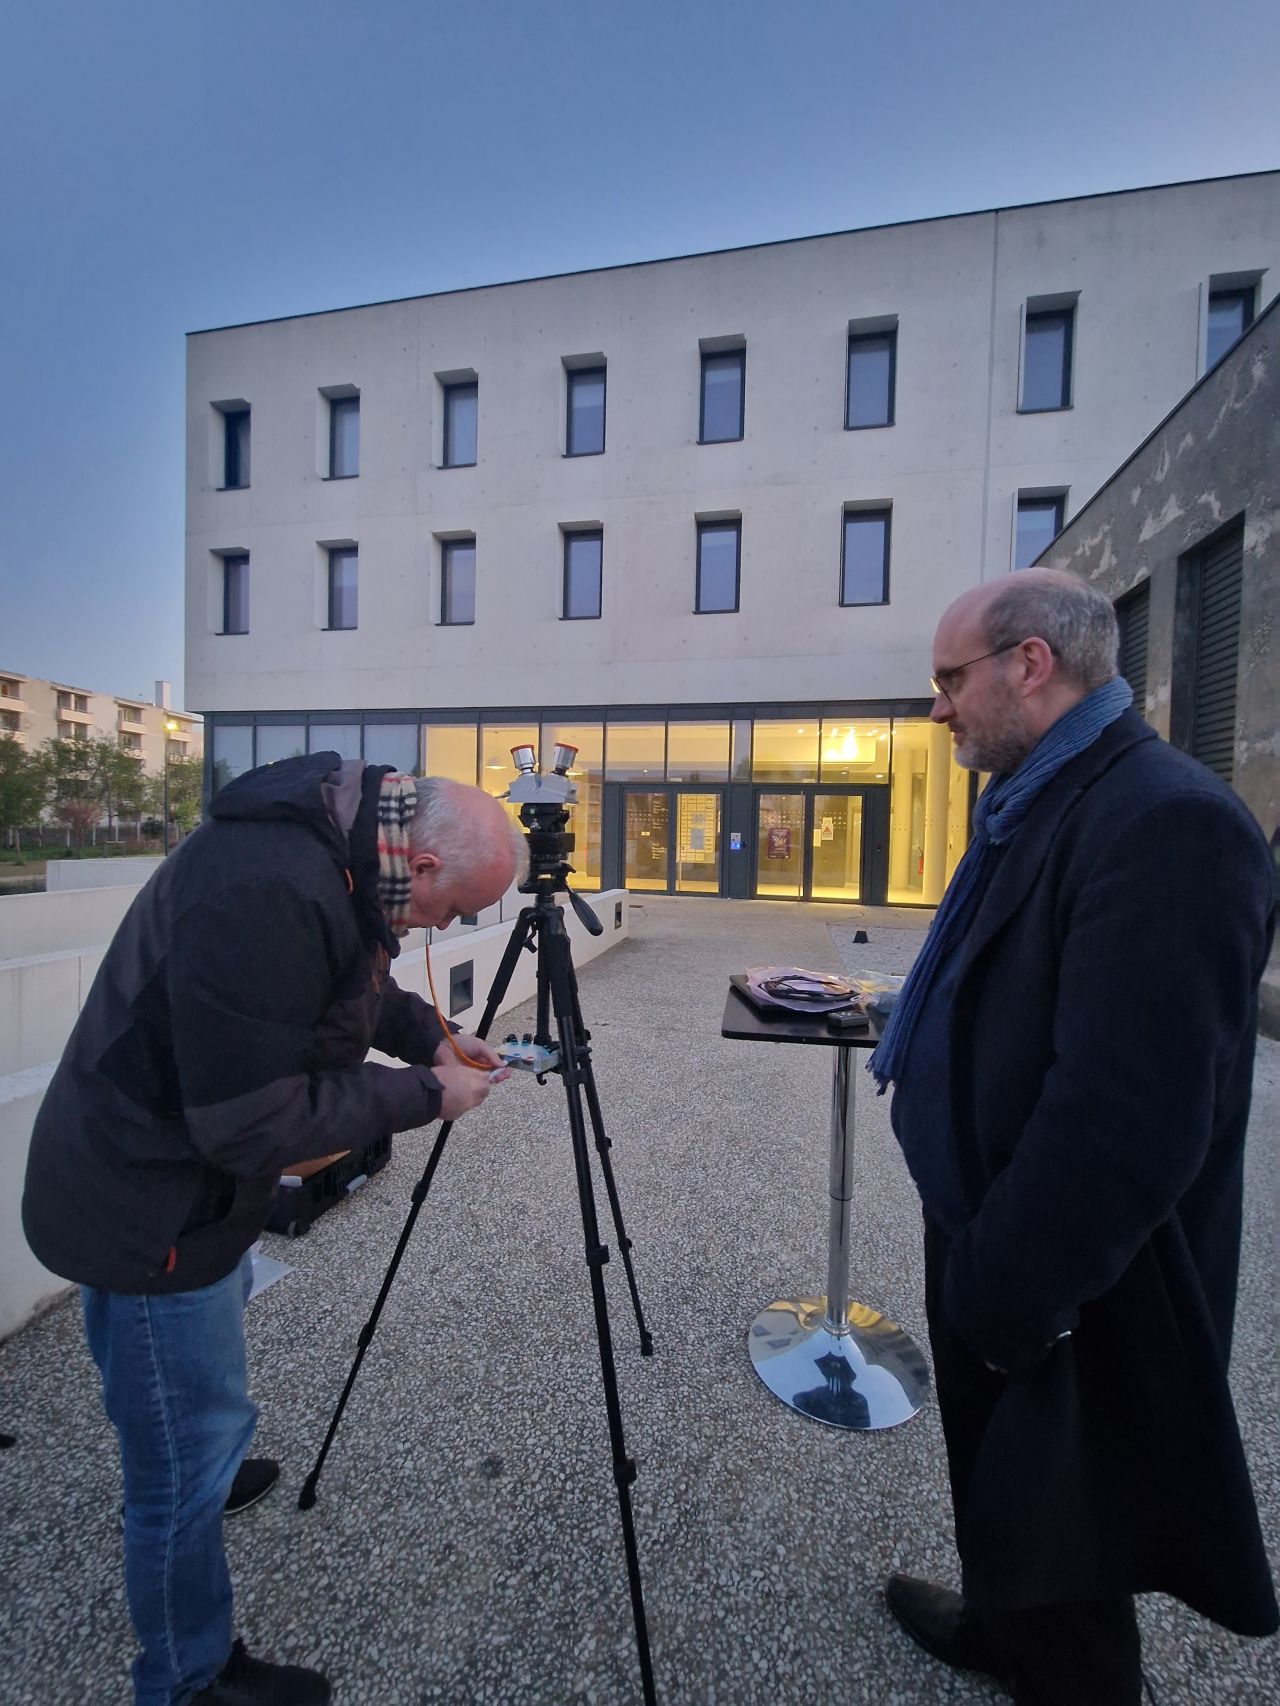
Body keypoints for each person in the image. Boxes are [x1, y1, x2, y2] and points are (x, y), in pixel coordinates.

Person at [23, 755, 524, 1706]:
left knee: (195, 1419)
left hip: (180, 1195)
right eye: (455, 909)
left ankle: (198, 1454)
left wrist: (428, 1037)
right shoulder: (267, 886)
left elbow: (345, 985)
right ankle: (188, 1679)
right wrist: (427, 1094)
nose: (451, 928)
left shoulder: (346, 856)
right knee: (176, 1467)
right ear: (417, 866)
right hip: (144, 1211)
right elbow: (250, 1122)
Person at [868, 570, 1278, 1704]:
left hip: (1061, 1270)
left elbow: (1127, 1121)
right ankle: (1002, 1624)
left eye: (949, 679)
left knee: (1068, 1504)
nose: (937, 708)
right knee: (1003, 1472)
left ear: (1030, 664)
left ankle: (1072, 1678)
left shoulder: (1168, 821)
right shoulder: (1044, 794)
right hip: (986, 1222)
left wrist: (1001, 1291)